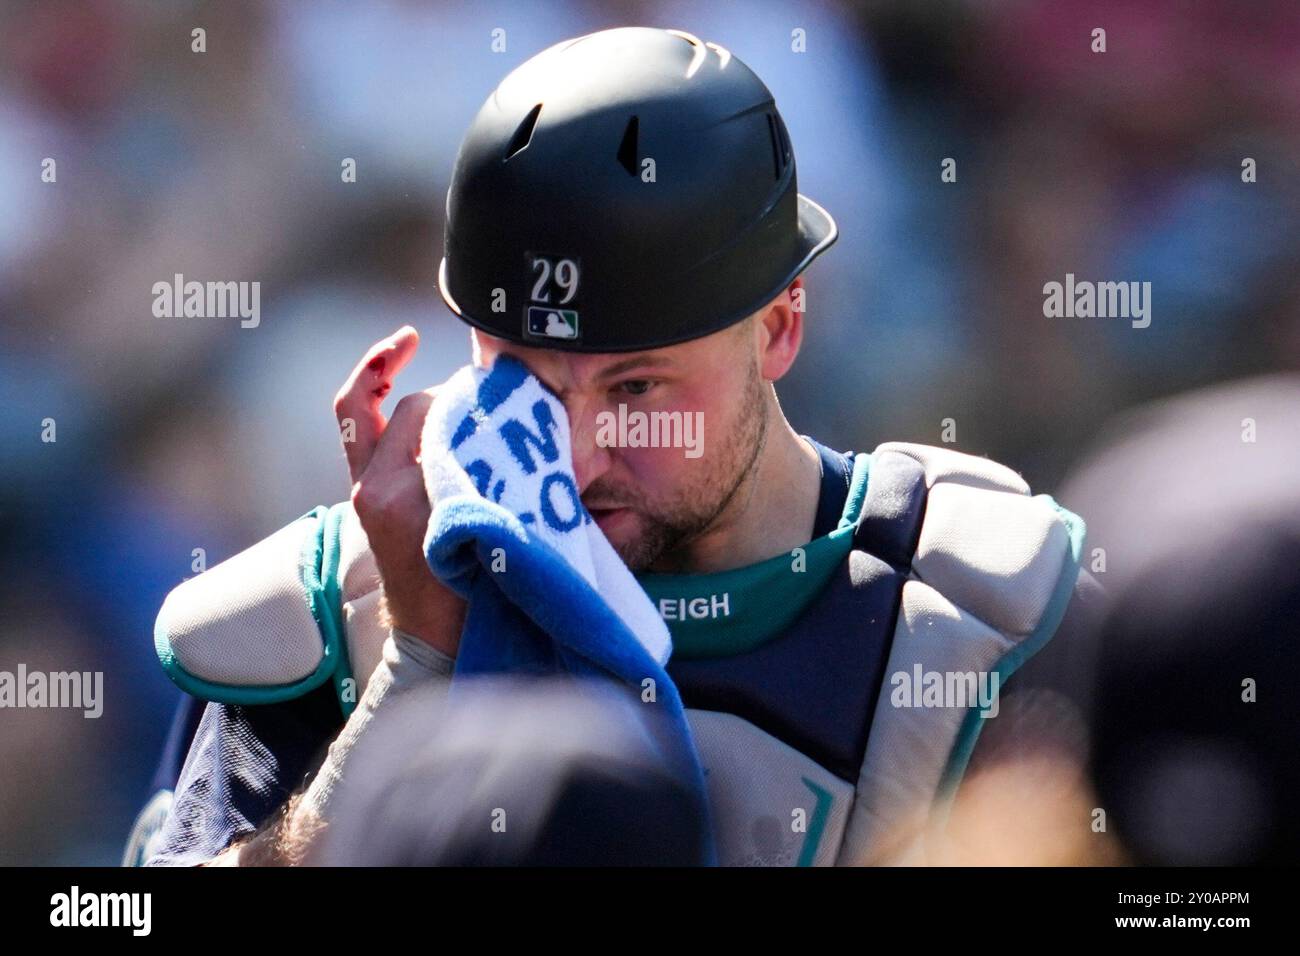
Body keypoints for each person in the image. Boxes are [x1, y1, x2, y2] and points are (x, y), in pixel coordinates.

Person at [132, 27, 1100, 867]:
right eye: (527, 382)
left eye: (636, 387)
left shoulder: (986, 620)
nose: (580, 453)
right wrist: (415, 667)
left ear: (777, 327)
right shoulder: (341, 602)